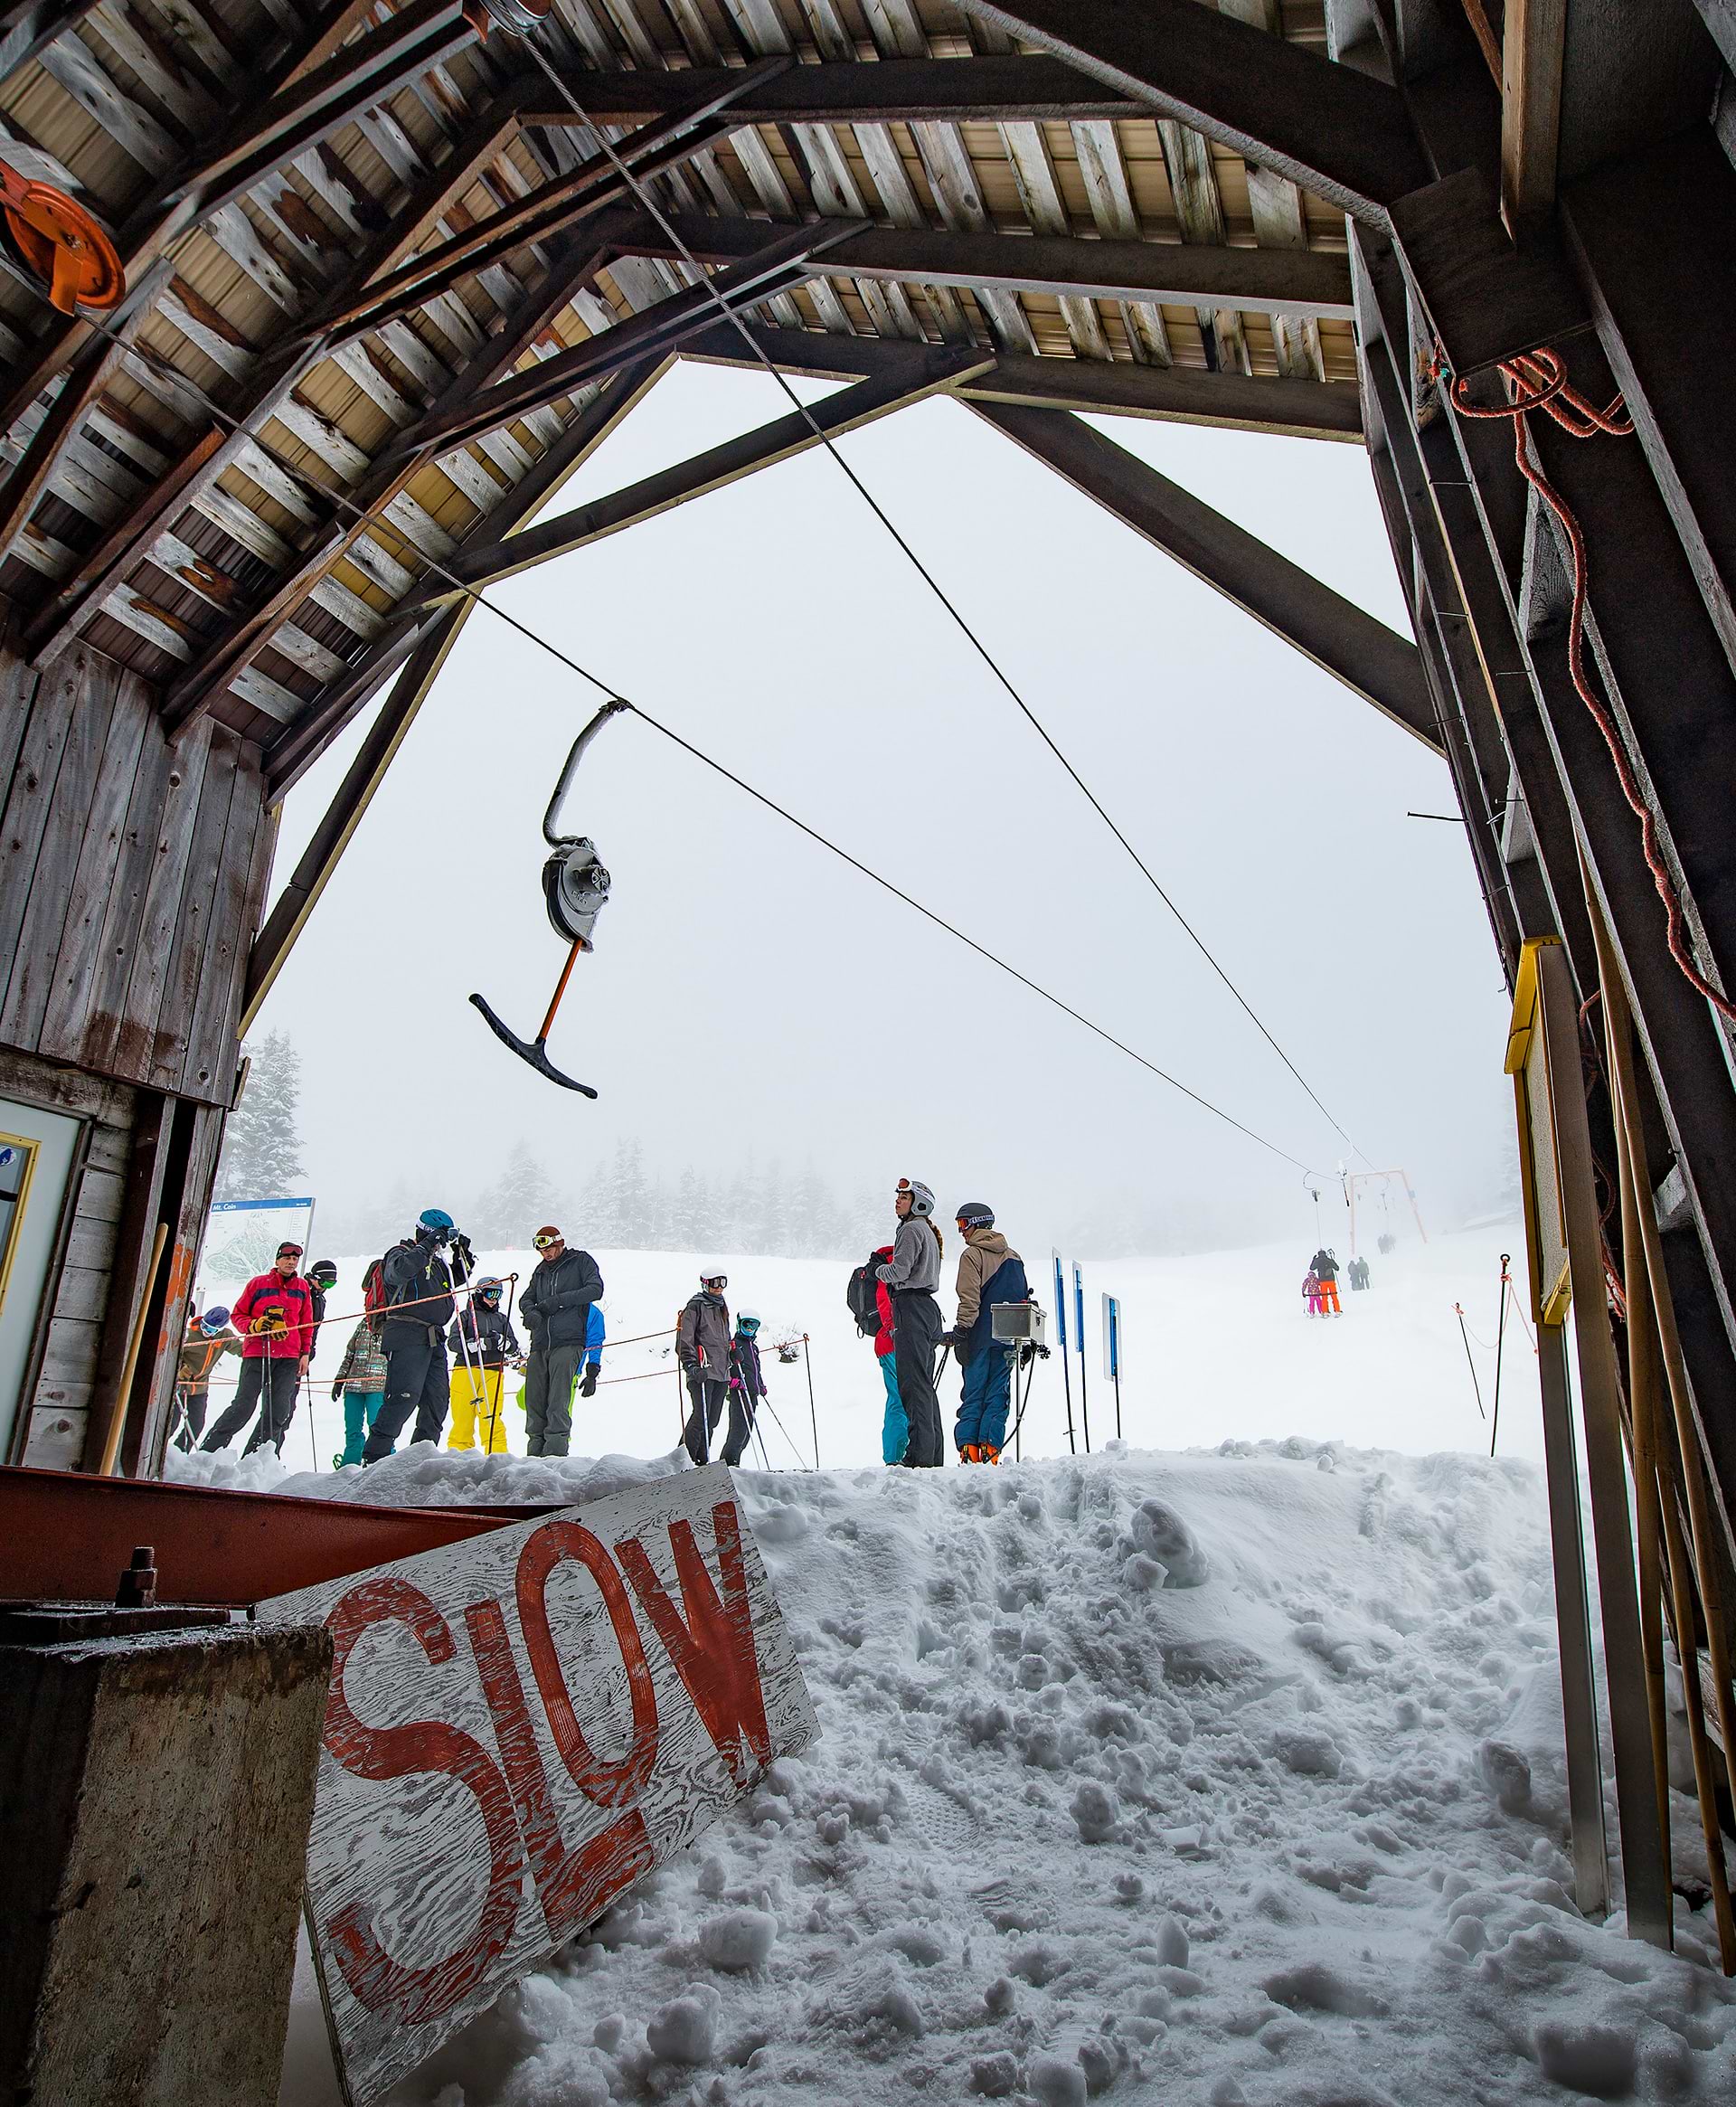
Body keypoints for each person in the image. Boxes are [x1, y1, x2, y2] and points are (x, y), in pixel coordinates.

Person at [363, 1208, 474, 1462]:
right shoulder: (400, 1253)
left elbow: (458, 1277)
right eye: (442, 1237)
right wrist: (427, 1245)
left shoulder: (436, 1263)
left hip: (434, 1337)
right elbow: (398, 1272)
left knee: (437, 1399)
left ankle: (421, 1458)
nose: (442, 1243)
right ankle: (374, 1455)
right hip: (406, 1332)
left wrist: (463, 1253)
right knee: (404, 1396)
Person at [201, 1242, 315, 1456]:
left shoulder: (302, 1288)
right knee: (244, 1406)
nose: (291, 1262)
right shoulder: (258, 1284)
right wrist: (253, 1326)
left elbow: (306, 1324)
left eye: (295, 1259)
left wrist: (305, 1353)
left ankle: (255, 1459)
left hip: (289, 1357)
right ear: (277, 1260)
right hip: (257, 1353)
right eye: (287, 1258)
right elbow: (237, 1315)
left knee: (279, 1410)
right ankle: (208, 1453)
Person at [941, 1203, 1029, 1465]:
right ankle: (991, 1453)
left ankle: (969, 1453)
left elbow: (969, 1299)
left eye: (963, 1225)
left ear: (978, 1224)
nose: (961, 1232)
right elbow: (1021, 1299)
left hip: (978, 1337)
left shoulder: (972, 1255)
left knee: (973, 1395)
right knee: (998, 1396)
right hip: (1007, 1339)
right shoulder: (1015, 1257)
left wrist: (961, 1331)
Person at [519, 1224, 604, 1459]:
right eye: (541, 1251)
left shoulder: (580, 1261)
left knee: (557, 1404)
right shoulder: (540, 1271)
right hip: (539, 1344)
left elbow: (595, 1289)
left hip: (568, 1342)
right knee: (534, 1405)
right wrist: (531, 1312)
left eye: (549, 1249)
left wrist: (557, 1301)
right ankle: (533, 1457)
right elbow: (526, 1298)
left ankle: (554, 1459)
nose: (545, 1254)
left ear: (559, 1243)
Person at [877, 1178, 944, 1468]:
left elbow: (900, 1270)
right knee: (925, 1386)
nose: (898, 1201)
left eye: (904, 1197)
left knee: (912, 1386)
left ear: (918, 1202)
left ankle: (917, 1458)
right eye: (898, 1197)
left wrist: (877, 1269)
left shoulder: (910, 1229)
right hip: (927, 1309)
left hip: (911, 1308)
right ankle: (932, 1454)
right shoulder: (927, 1230)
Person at [447, 1277, 522, 1454]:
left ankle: (497, 1456)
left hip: (493, 1371)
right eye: (491, 1293)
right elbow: (452, 1342)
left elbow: (514, 1344)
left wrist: (505, 1344)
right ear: (480, 1293)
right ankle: (459, 1456)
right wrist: (473, 1345)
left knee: (491, 1417)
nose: (494, 1299)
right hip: (466, 1371)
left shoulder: (502, 1319)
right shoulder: (465, 1317)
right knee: (463, 1418)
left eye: (498, 1294)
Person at [678, 1267, 734, 1465]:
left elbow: (722, 1339)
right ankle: (683, 1460)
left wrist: (732, 1352)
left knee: (711, 1421)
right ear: (705, 1284)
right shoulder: (696, 1306)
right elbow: (684, 1339)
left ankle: (702, 1461)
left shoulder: (721, 1307)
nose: (719, 1288)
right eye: (715, 1283)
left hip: (721, 1372)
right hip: (702, 1370)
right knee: (700, 1417)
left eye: (723, 1283)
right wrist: (691, 1365)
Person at [174, 1306, 240, 1450]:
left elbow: (241, 1349)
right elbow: (171, 1355)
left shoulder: (225, 1337)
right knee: (171, 1423)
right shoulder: (189, 1335)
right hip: (180, 1386)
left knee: (196, 1425)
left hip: (199, 1389)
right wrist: (180, 1368)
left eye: (210, 1330)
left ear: (220, 1330)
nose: (205, 1331)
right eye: (204, 1326)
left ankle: (179, 1453)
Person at [331, 1314, 390, 1468]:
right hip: (353, 1386)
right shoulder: (363, 1324)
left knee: (378, 1428)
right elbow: (350, 1354)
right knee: (352, 1430)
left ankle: (384, 1465)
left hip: (377, 1386)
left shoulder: (392, 1324)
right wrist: (340, 1379)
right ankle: (349, 1467)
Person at [723, 1307, 768, 1468]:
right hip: (740, 1394)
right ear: (739, 1324)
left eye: (754, 1326)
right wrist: (732, 1381)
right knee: (738, 1432)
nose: (750, 1329)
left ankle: (735, 1464)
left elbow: (756, 1370)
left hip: (752, 1394)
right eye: (747, 1325)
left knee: (747, 1434)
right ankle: (728, 1464)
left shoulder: (753, 1347)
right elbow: (724, 1366)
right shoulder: (734, 1345)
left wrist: (760, 1385)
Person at [1310, 1246, 1344, 1317]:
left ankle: (1325, 1311)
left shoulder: (1318, 1261)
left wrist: (1314, 1260)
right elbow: (1337, 1268)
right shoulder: (1329, 1260)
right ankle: (1337, 1310)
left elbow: (1312, 1268)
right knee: (1334, 1296)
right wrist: (1332, 1261)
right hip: (1331, 1280)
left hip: (1322, 1282)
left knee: (1324, 1297)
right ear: (1325, 1254)